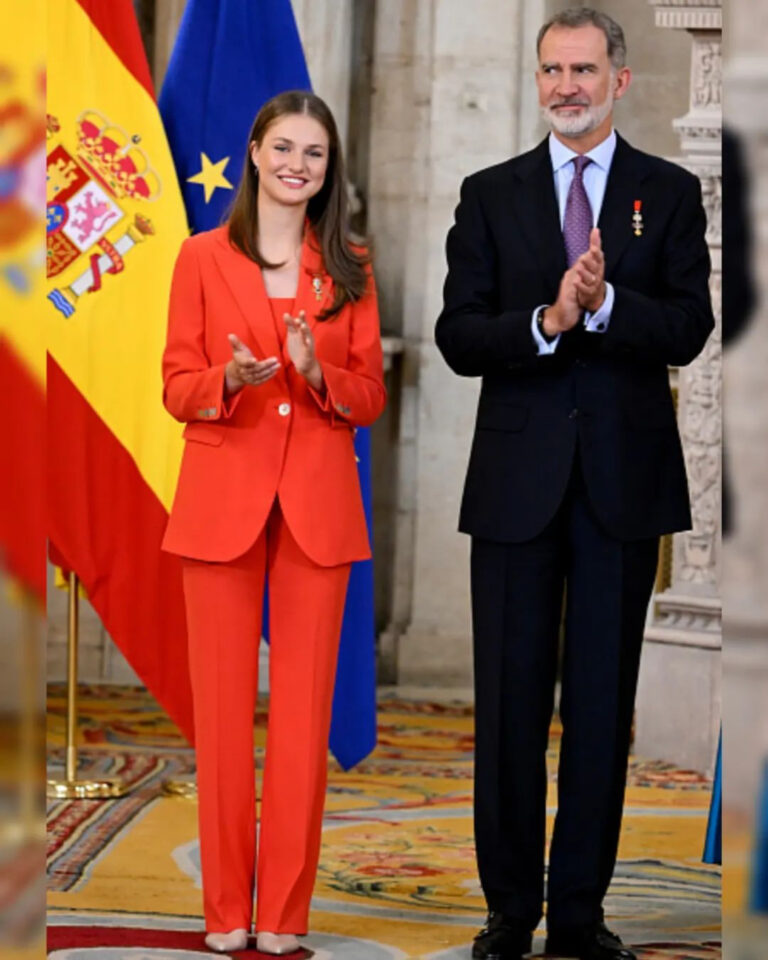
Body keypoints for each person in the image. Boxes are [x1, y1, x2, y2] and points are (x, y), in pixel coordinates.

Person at [435, 9, 714, 960]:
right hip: (515, 487)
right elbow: (459, 335)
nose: (567, 84)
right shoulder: (490, 194)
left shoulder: (667, 194)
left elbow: (688, 326)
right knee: (511, 707)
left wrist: (608, 309)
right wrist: (549, 320)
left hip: (622, 490)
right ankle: (510, 909)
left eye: (584, 68)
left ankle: (581, 918)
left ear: (619, 79)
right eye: (552, 68)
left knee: (601, 706)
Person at [161, 91, 386, 956]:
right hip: (222, 506)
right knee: (221, 720)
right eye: (284, 147)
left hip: (318, 514)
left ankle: (283, 915)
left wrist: (314, 372)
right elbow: (176, 382)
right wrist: (234, 376)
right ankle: (224, 911)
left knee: (301, 724)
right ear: (254, 152)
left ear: (329, 171)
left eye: (315, 154)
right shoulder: (200, 258)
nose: (298, 164)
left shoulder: (353, 265)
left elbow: (368, 395)